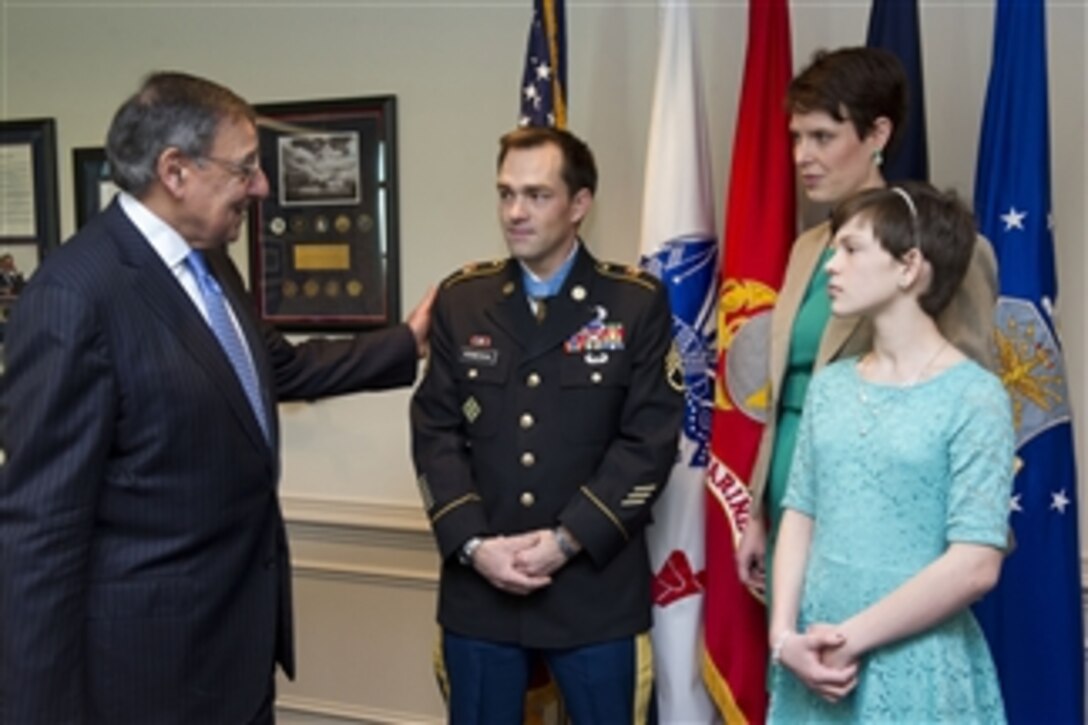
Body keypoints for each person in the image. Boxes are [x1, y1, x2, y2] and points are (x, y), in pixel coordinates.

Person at [0, 71, 434, 724]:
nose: (260, 187)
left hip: (234, 649)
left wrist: (406, 341)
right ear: (175, 170)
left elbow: (275, 367)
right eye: (246, 168)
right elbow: (40, 532)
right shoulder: (74, 297)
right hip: (145, 674)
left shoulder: (211, 262)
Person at [410, 126, 683, 723]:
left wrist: (567, 540)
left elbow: (650, 442)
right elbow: (435, 432)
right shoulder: (464, 299)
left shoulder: (634, 302)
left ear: (579, 204)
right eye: (506, 194)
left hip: (592, 589)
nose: (515, 212)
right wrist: (476, 546)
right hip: (481, 590)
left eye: (536, 195)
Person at [736, 47, 998, 594]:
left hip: (881, 520)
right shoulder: (808, 248)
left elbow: (967, 398)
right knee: (796, 657)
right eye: (796, 138)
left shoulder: (946, 247)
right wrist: (759, 506)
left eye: (822, 137)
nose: (802, 155)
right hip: (790, 493)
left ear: (877, 135)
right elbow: (781, 395)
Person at [767, 182, 1012, 722]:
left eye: (852, 250)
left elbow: (975, 565)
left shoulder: (974, 397)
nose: (831, 265)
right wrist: (785, 639)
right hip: (815, 658)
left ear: (909, 267)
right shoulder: (830, 387)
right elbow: (800, 514)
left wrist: (851, 638)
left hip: (915, 664)